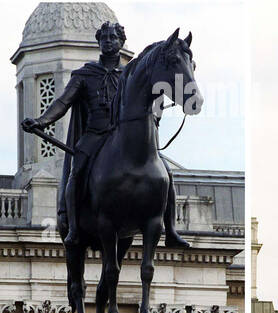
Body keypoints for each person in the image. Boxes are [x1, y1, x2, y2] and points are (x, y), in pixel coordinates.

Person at [21, 21, 188, 248]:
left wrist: (155, 117)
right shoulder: (84, 74)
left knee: (166, 172)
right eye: (104, 38)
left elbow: (154, 102)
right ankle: (72, 226)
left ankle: (171, 230)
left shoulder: (131, 75)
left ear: (121, 42)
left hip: (123, 136)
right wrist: (41, 121)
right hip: (95, 134)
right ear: (99, 42)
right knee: (77, 169)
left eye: (113, 38)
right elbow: (62, 102)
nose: (108, 42)